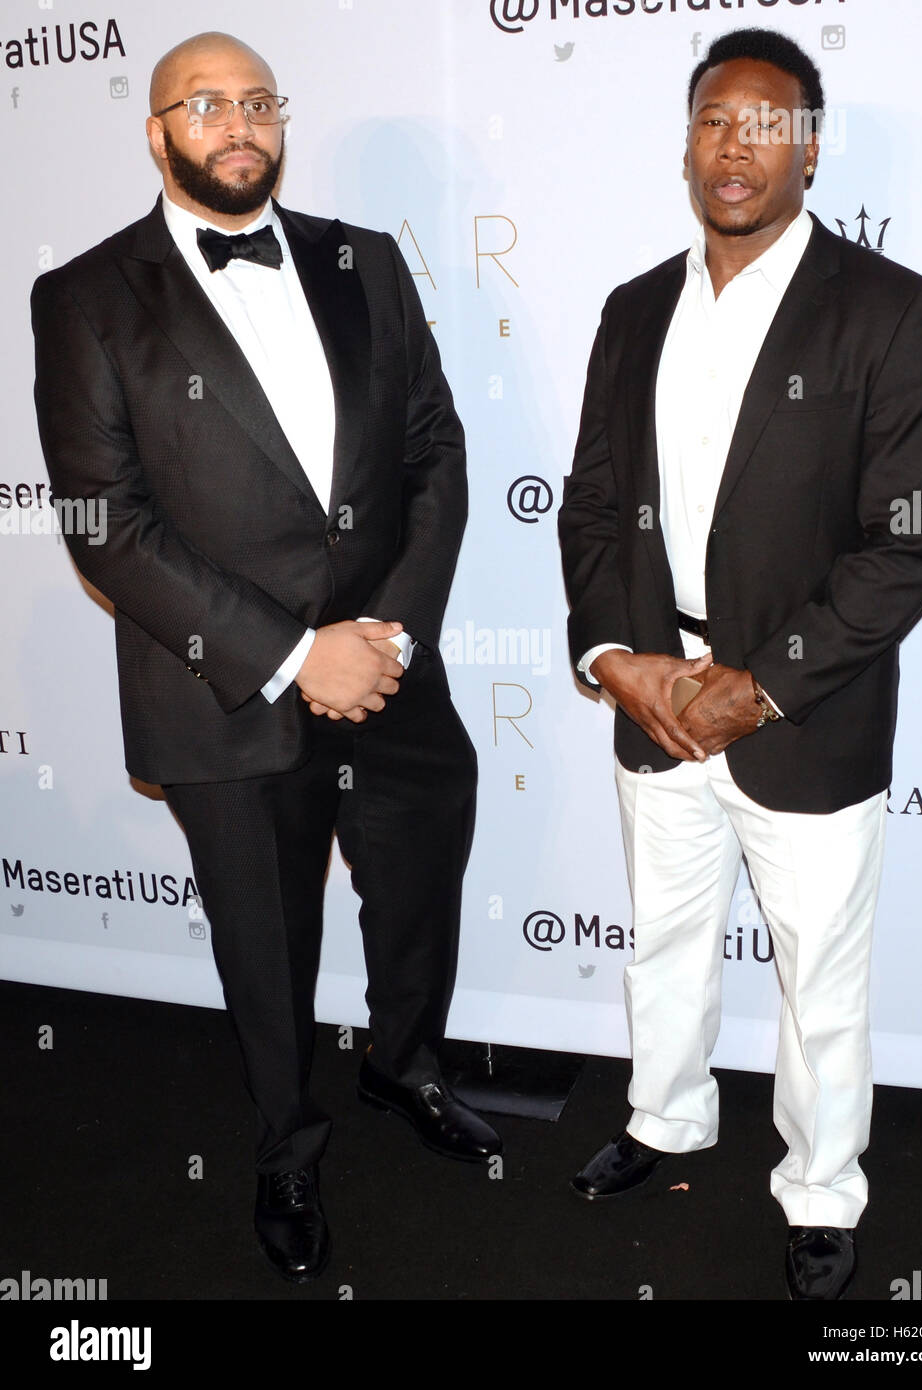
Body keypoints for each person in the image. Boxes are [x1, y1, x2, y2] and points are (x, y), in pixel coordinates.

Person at [31, 30, 501, 1285]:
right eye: (205, 104)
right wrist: (298, 656)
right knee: (265, 940)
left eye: (256, 102)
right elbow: (105, 526)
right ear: (157, 130)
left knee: (415, 893)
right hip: (222, 691)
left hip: (391, 668)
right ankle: (287, 1146)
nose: (237, 124)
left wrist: (388, 636)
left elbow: (437, 455)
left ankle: (405, 1064)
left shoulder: (369, 261)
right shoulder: (82, 297)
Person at [558, 27, 922, 1300]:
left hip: (804, 709)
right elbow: (588, 506)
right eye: (713, 123)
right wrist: (617, 658)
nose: (735, 148)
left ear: (810, 145)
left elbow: (912, 546)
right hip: (656, 695)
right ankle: (666, 1118)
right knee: (664, 941)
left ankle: (820, 1184)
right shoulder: (632, 309)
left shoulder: (890, 310)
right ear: (686, 144)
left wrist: (763, 680)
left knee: (818, 977)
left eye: (765, 124)